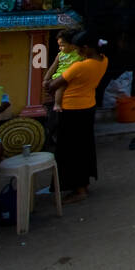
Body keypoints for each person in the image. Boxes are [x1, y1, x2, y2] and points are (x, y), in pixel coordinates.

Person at [49, 31, 108, 203]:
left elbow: (53, 85)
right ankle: (82, 185)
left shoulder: (79, 67)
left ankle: (79, 189)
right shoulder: (104, 61)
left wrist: (52, 74)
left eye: (78, 49)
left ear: (86, 48)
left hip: (70, 109)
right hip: (88, 106)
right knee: (83, 148)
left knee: (70, 152)